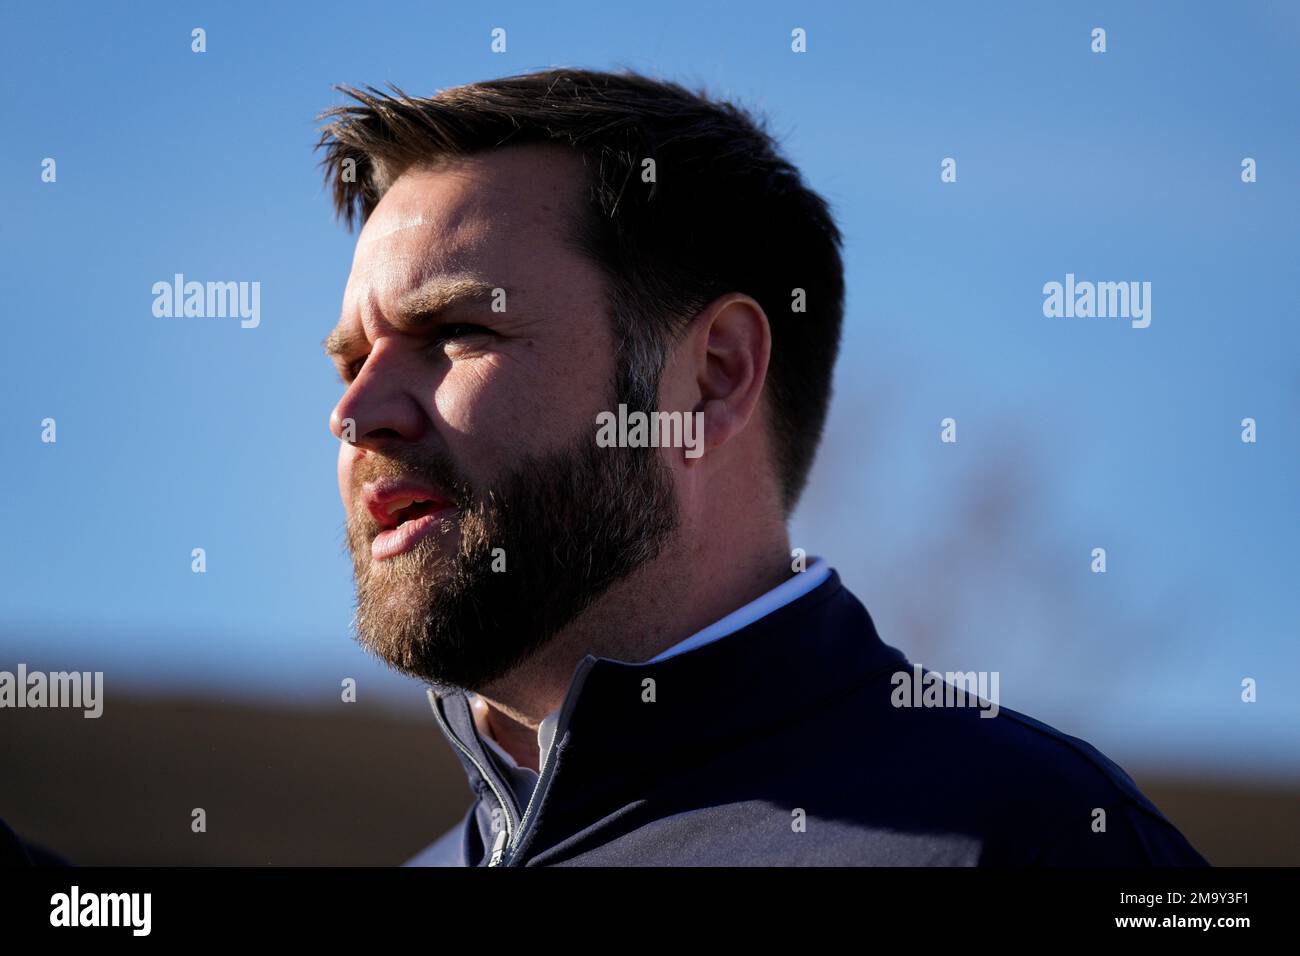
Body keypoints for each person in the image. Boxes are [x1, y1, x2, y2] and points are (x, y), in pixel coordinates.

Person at [315, 68, 1209, 867]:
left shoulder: (1035, 839)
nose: (355, 416)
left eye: (456, 333)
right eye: (353, 360)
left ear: (713, 377)